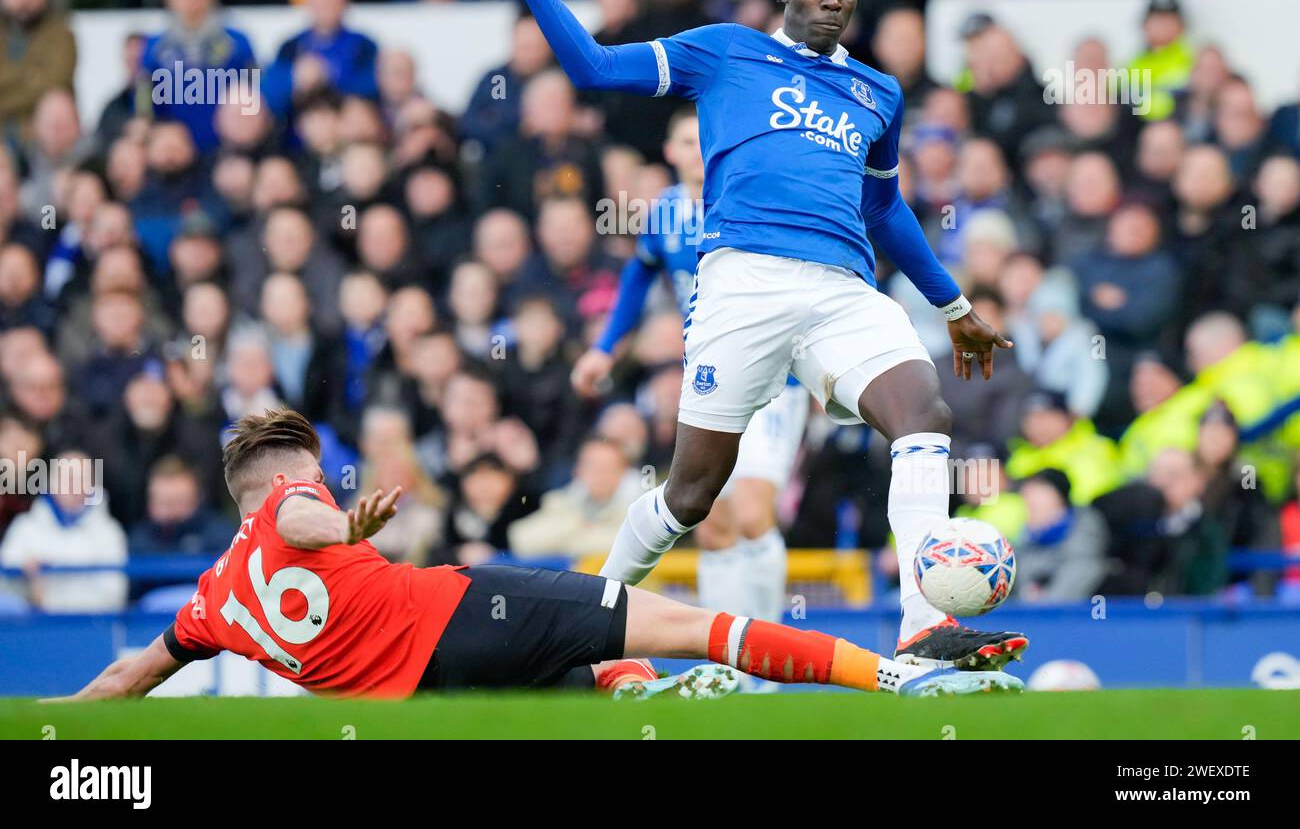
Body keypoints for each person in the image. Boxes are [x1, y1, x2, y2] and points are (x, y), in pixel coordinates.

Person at [472, 0, 1028, 670]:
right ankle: (585, 640)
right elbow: (592, 66)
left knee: (923, 413)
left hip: (842, 289)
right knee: (691, 495)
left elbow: (883, 206)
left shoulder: (877, 93)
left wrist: (954, 303)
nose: (833, 0)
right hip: (743, 284)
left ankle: (920, 620)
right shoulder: (725, 52)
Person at [56, 409, 1021, 700]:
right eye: (314, 472)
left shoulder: (209, 601)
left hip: (426, 695)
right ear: (280, 483)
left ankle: (637, 690)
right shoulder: (293, 505)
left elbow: (132, 672)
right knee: (692, 622)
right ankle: (897, 678)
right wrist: (345, 526)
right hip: (461, 609)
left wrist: (50, 724)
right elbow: (306, 523)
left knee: (583, 677)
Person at [572, 105, 809, 631]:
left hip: (776, 379)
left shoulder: (753, 200)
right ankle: (729, 657)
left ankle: (770, 654)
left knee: (751, 512)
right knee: (713, 521)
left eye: (707, 139)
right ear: (670, 151)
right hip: (708, 380)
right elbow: (637, 278)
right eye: (686, 141)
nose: (698, 151)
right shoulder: (665, 213)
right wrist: (604, 349)